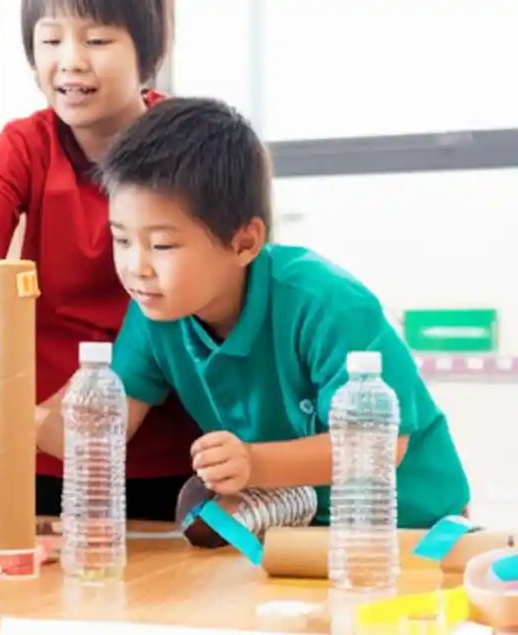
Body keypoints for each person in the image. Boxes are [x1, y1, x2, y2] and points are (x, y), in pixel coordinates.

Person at [40, 96, 469, 528]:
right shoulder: (156, 315)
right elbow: (105, 432)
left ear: (244, 242)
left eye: (162, 245)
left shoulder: (325, 303)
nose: (136, 267)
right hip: (297, 530)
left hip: (413, 527)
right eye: (122, 240)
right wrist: (18, 421)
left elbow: (380, 446)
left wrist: (253, 463)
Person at [0, 0, 200, 519]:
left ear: (147, 53)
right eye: (51, 41)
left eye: (96, 41)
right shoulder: (27, 145)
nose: (70, 61)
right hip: (48, 462)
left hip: (174, 460)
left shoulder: (185, 146)